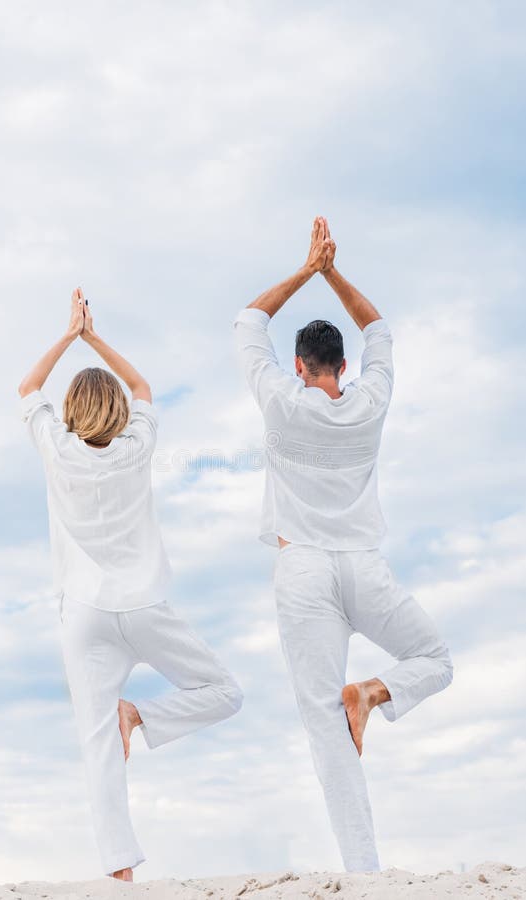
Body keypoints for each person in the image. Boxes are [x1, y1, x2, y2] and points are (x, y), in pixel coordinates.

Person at [233, 218, 453, 872]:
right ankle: (377, 690)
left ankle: (364, 874)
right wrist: (333, 273)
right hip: (364, 567)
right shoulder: (370, 402)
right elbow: (379, 328)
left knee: (325, 728)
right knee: (434, 660)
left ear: (297, 366)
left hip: (301, 571)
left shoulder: (279, 400)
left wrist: (305, 270)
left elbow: (249, 320)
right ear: (344, 366)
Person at [18, 288, 243, 881]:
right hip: (144, 606)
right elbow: (143, 387)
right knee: (225, 691)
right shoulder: (136, 448)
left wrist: (68, 335)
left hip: (85, 614)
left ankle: (120, 873)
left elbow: (26, 390)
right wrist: (94, 338)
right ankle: (139, 715)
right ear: (116, 410)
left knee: (97, 745)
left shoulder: (57, 450)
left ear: (72, 410)